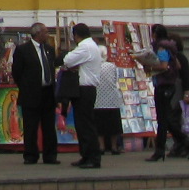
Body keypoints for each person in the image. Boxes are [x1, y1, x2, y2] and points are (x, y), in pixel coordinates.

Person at [143, 24, 189, 161]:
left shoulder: (161, 48)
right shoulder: (171, 48)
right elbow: (177, 65)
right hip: (169, 86)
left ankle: (163, 150)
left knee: (163, 120)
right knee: (166, 119)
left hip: (163, 85)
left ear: (155, 34)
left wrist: (149, 65)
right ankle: (186, 143)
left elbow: (163, 65)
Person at [9, 22, 59, 165]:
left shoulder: (49, 49)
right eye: (45, 32)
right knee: (31, 127)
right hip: (31, 94)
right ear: (38, 34)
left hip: (48, 92)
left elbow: (52, 65)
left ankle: (50, 155)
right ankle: (31, 155)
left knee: (49, 126)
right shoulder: (23, 50)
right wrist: (25, 87)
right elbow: (17, 72)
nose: (48, 35)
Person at [60, 22, 106, 169]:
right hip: (86, 88)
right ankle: (86, 155)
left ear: (76, 35)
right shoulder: (91, 45)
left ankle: (93, 157)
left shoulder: (85, 47)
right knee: (81, 124)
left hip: (85, 89)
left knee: (86, 125)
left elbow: (67, 60)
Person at [92, 55, 125, 156]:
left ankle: (101, 147)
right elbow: (115, 79)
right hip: (112, 99)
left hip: (98, 99)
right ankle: (114, 147)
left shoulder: (94, 66)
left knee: (99, 125)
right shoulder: (112, 66)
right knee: (114, 125)